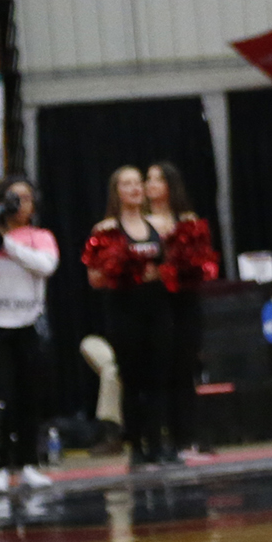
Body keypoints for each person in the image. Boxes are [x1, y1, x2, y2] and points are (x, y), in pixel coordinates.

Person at [0, 177, 59, 493]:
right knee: (0, 397)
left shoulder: (40, 237)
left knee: (30, 396)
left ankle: (29, 463)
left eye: (26, 198)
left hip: (28, 324)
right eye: (14, 198)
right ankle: (0, 467)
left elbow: (45, 266)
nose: (20, 204)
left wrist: (7, 244)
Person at [83, 167, 178, 470]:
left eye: (139, 183)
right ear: (117, 191)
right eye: (128, 184)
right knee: (133, 378)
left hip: (157, 309)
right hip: (124, 311)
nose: (136, 188)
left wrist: (160, 272)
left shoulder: (159, 226)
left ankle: (160, 444)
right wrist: (121, 272)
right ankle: (137, 447)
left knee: (158, 377)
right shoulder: (105, 230)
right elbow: (94, 278)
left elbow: (177, 268)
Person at [148, 162, 220, 459]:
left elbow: (203, 262)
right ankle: (158, 441)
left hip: (185, 301)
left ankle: (186, 438)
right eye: (148, 179)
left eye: (157, 179)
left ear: (170, 185)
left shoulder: (186, 219)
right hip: (154, 302)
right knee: (158, 371)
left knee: (184, 368)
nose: (150, 184)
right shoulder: (141, 222)